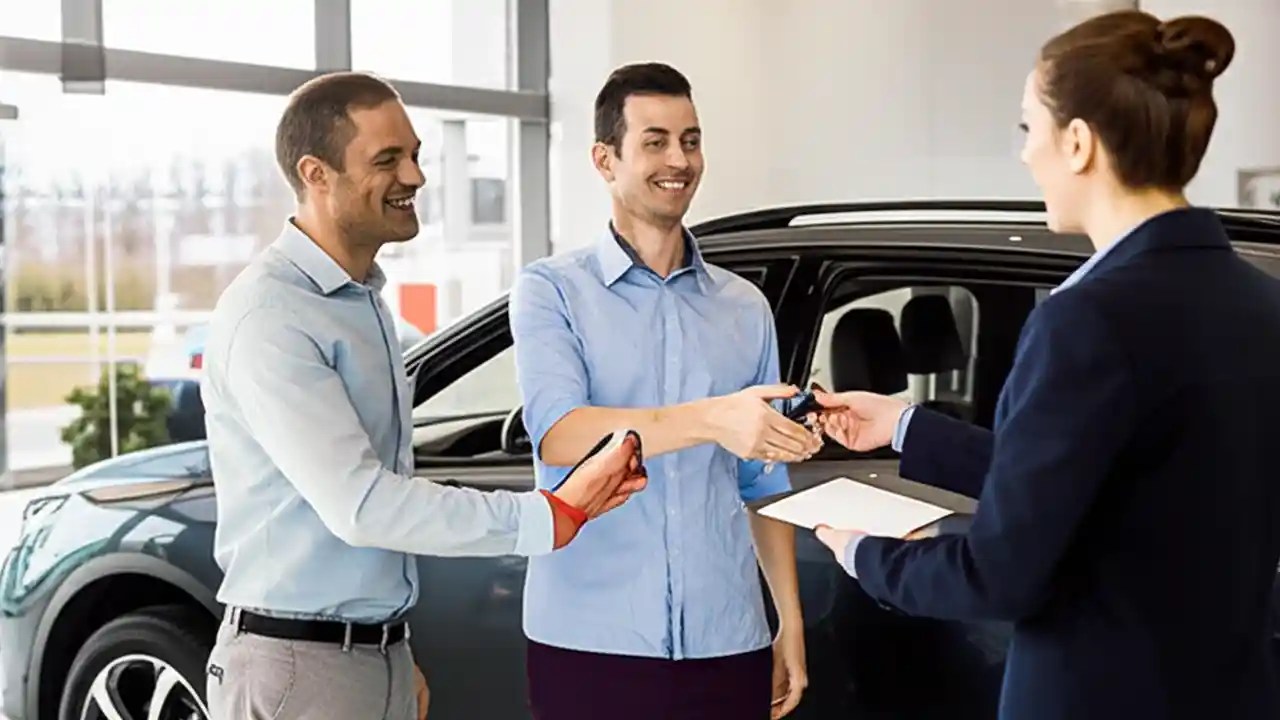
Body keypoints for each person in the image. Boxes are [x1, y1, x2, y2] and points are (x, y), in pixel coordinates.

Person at [810, 10, 1280, 720]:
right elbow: (1095, 484)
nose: (1026, 153)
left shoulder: (1086, 320)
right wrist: (907, 427)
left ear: (1080, 142)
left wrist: (861, 554)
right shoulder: (1260, 302)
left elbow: (999, 576)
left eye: (1029, 127)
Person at [200, 71, 648, 720]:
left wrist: (389, 656)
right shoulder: (271, 315)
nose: (415, 177)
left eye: (415, 155)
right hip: (298, 668)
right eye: (388, 160)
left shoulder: (363, 302)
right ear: (315, 175)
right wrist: (548, 516)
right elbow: (362, 504)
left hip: (368, 658)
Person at [509, 62, 821, 720]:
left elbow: (761, 484)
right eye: (654, 141)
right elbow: (562, 434)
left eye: (691, 139)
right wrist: (712, 420)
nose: (679, 160)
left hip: (727, 638)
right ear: (605, 158)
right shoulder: (552, 290)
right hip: (591, 642)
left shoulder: (744, 307)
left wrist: (786, 623)